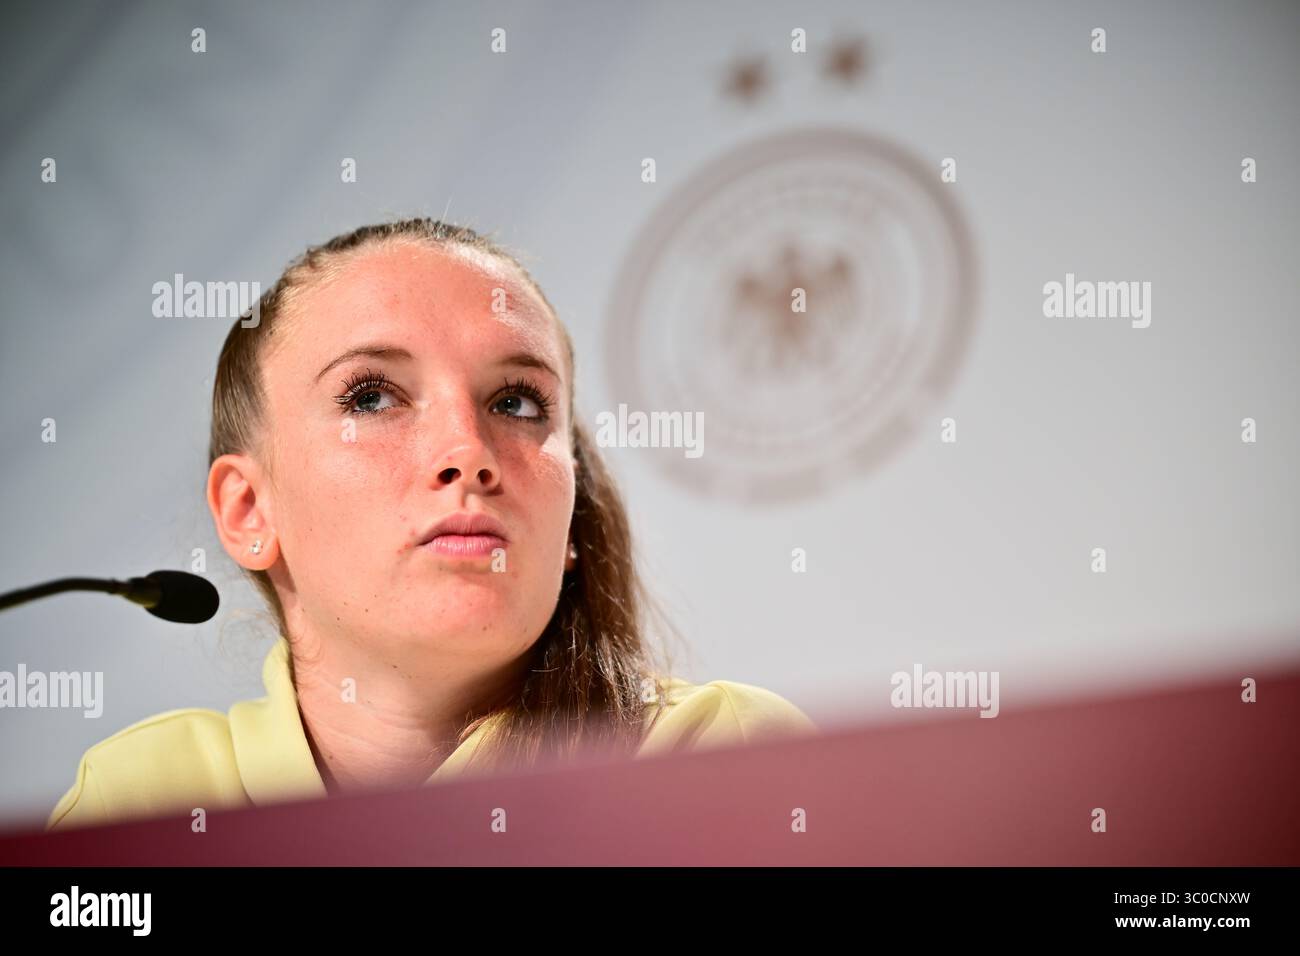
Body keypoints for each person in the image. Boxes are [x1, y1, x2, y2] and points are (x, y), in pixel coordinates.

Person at [47, 219, 817, 831]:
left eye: (516, 401)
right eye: (373, 397)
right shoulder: (137, 798)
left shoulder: (725, 759)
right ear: (250, 511)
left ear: (572, 514)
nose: (469, 453)